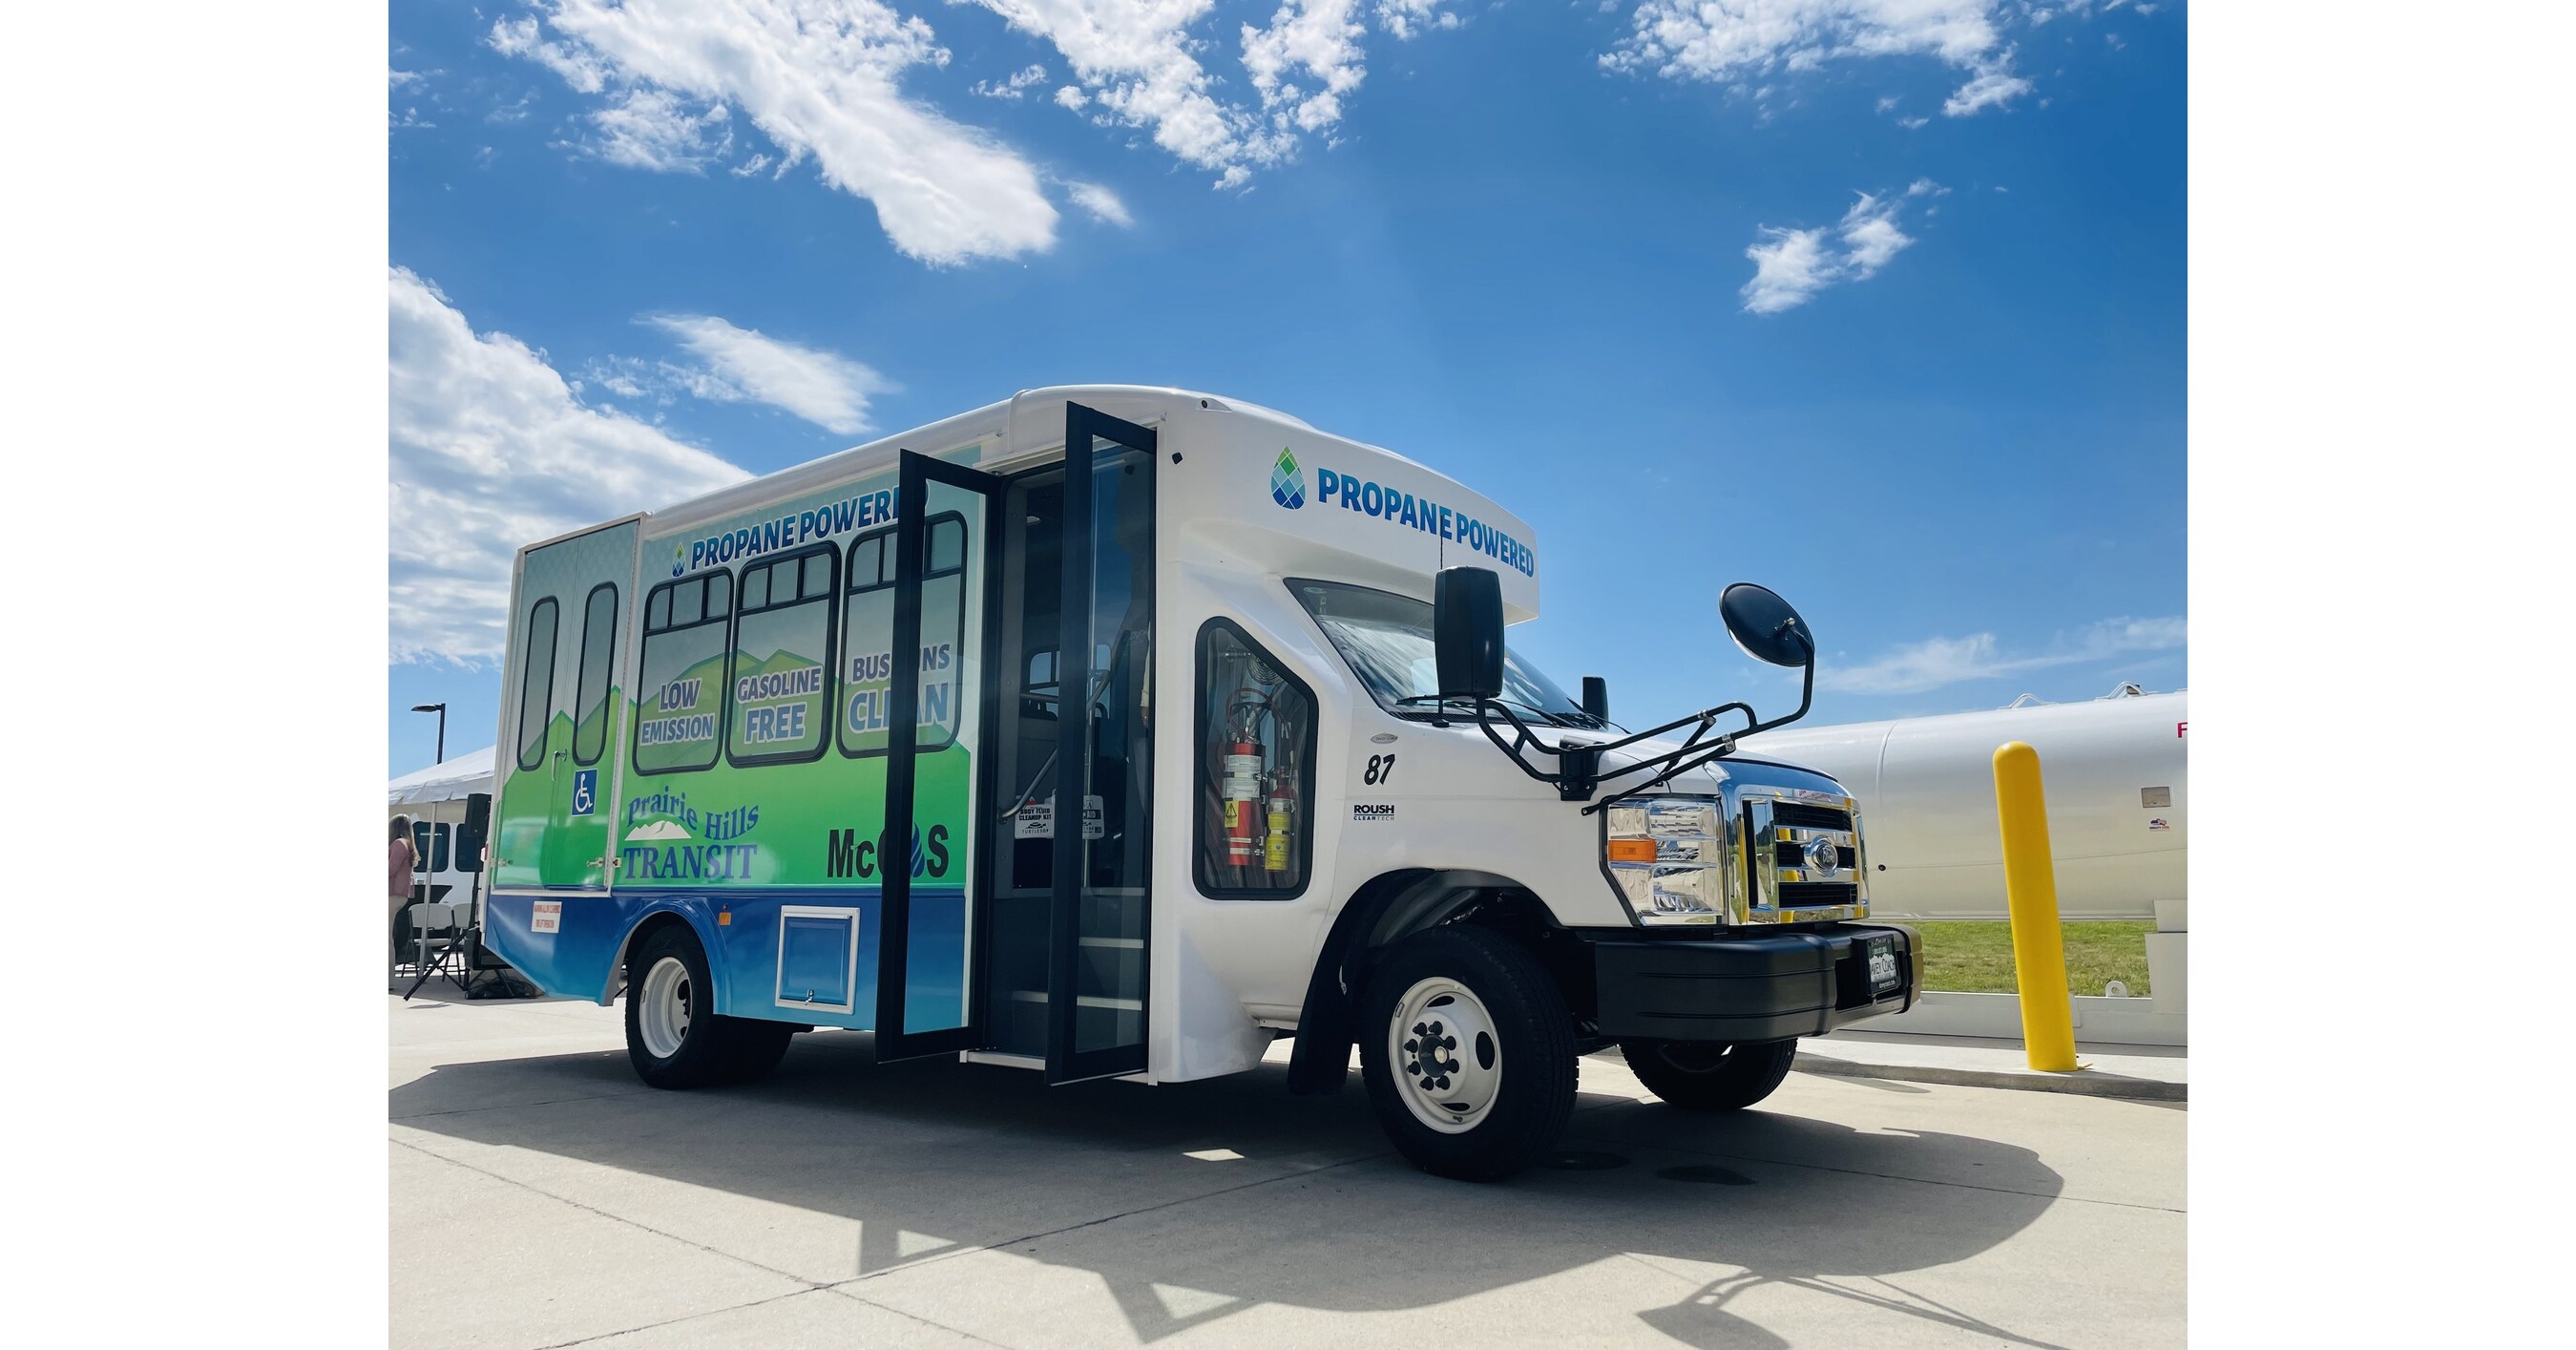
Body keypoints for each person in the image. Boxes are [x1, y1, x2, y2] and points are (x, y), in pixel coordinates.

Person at [389, 815, 419, 970]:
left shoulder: (398, 844)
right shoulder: (407, 844)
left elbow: (390, 869)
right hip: (400, 893)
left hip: (392, 893)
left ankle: (388, 975)